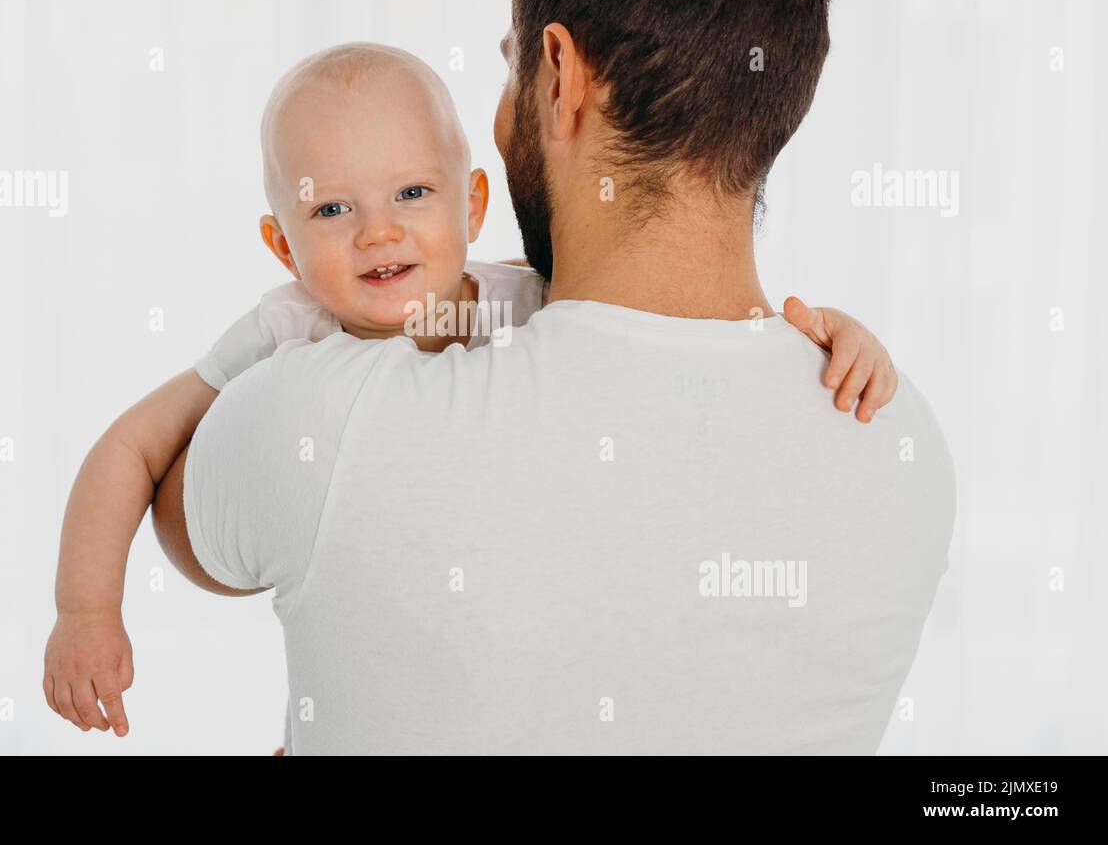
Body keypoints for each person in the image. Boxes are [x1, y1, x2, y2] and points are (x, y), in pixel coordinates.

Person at [43, 41, 897, 747]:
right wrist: (87, 611)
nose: (378, 231)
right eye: (331, 209)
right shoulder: (284, 329)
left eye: (413, 193)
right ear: (281, 245)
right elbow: (131, 447)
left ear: (473, 202)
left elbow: (682, 340)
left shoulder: (526, 299)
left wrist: (826, 333)